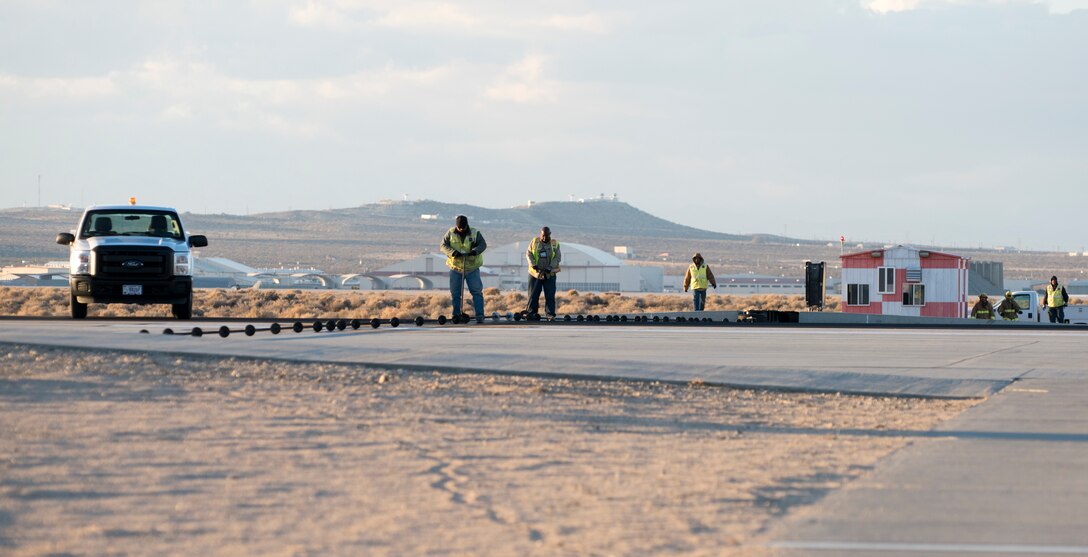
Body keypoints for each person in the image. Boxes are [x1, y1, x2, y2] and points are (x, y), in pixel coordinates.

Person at [440, 215, 487, 323]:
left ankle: (480, 316)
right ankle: (456, 315)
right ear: (456, 226)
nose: (461, 230)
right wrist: (452, 252)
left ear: (466, 225)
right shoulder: (450, 232)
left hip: (472, 268)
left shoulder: (475, 233)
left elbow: (483, 244)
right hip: (456, 268)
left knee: (476, 292)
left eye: (463, 228)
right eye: (459, 228)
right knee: (455, 293)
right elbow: (443, 246)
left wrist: (475, 251)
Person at [525, 226, 561, 320]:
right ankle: (532, 313)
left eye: (547, 236)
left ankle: (550, 314)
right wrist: (533, 265)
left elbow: (557, 257)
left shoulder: (555, 244)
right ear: (540, 234)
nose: (544, 238)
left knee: (550, 295)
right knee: (533, 295)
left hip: (549, 274)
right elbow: (528, 254)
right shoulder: (534, 242)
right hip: (535, 274)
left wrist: (550, 267)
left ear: (550, 234)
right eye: (543, 235)